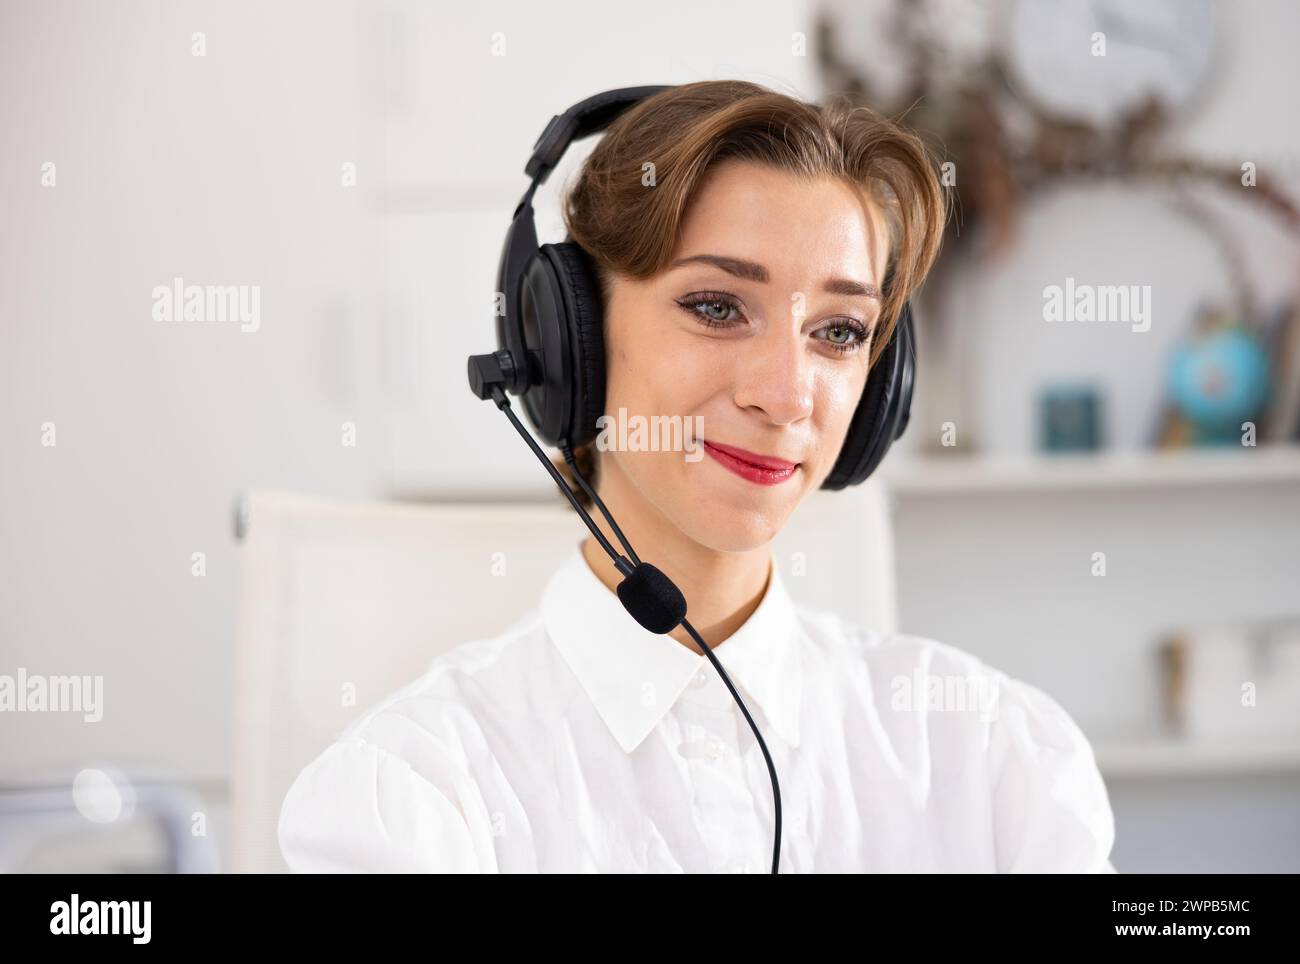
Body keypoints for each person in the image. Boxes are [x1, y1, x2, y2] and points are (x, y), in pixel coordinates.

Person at [277, 80, 1116, 873]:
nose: (787, 395)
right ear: (567, 346)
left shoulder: (998, 758)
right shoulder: (413, 795)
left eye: (839, 330)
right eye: (717, 307)